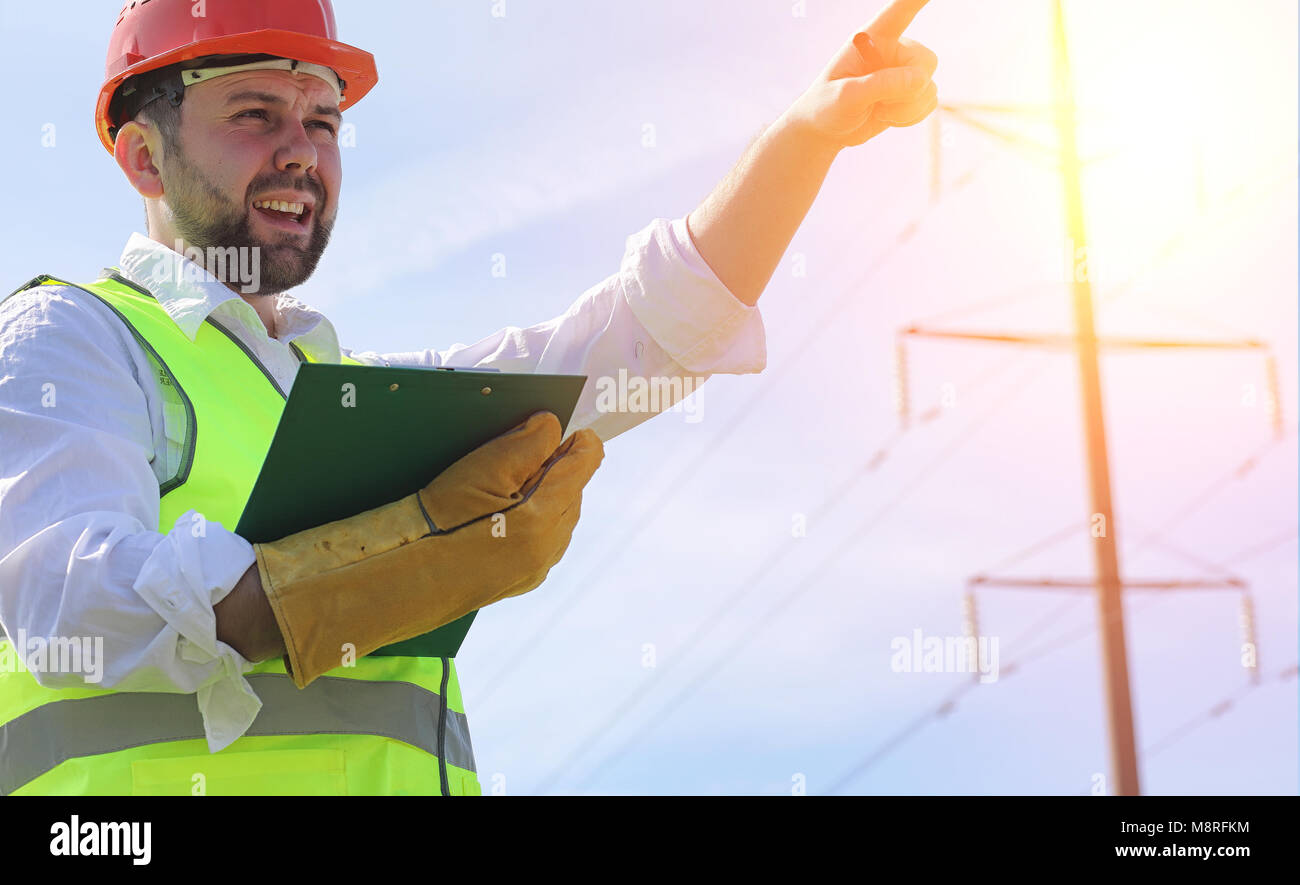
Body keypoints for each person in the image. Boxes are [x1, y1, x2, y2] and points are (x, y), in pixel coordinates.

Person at [0, 0, 937, 795]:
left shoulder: (345, 399)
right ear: (143, 158)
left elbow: (638, 340)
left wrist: (806, 140)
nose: (301, 152)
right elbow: (65, 596)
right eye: (256, 114)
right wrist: (348, 581)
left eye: (322, 122)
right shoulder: (71, 338)